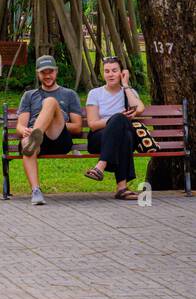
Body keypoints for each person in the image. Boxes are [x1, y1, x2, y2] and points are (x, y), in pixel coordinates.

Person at [15, 55, 84, 205]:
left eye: (50, 72)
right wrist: (24, 130)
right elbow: (20, 126)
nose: (47, 75)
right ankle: (36, 191)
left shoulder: (69, 94)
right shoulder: (29, 96)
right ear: (38, 74)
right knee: (27, 142)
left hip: (59, 137)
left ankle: (36, 134)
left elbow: (78, 126)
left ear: (56, 72)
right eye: (43, 72)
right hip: (39, 143)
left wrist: (51, 122)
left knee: (50, 102)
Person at [82, 57, 144, 200]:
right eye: (107, 71)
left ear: (122, 73)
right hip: (99, 139)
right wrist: (114, 119)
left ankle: (100, 166)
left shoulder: (128, 92)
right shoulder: (95, 93)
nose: (110, 74)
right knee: (120, 124)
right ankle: (122, 188)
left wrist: (126, 84)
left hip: (122, 137)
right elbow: (93, 124)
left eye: (115, 71)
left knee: (124, 131)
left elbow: (139, 108)